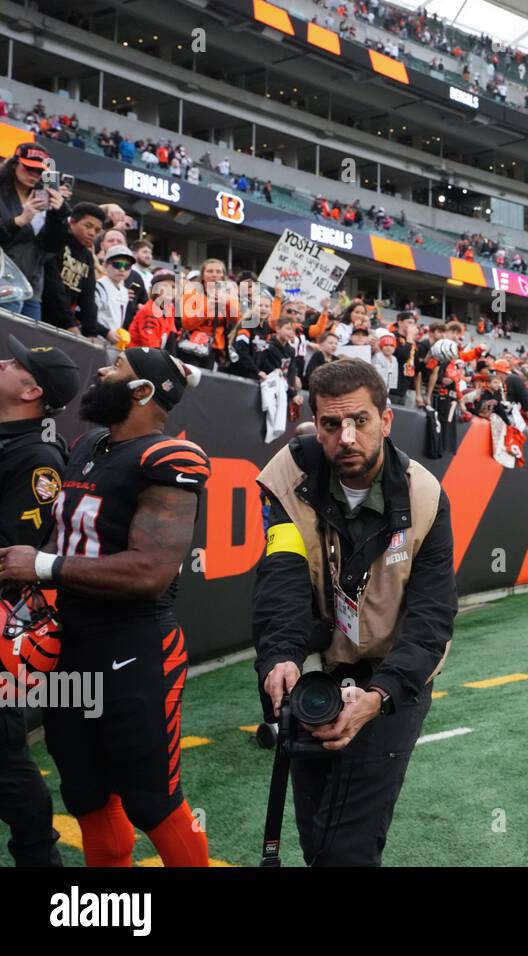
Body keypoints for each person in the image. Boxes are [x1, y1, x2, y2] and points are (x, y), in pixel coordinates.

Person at [0, 347, 211, 866]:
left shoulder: (169, 459)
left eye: (117, 366)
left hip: (133, 645)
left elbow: (149, 571)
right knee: (88, 797)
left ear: (141, 392)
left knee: (153, 802)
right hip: (70, 643)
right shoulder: (88, 444)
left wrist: (43, 566)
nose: (101, 371)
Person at [253, 359, 457, 866]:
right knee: (316, 837)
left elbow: (432, 617)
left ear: (386, 421)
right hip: (315, 669)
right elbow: (281, 577)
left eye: (360, 421)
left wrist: (379, 696)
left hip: (393, 677)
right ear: (314, 422)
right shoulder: (286, 478)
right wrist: (280, 657)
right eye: (330, 424)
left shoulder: (426, 495)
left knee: (349, 847)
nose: (346, 437)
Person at [0, 334, 79, 866]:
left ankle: (37, 853)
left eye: (16, 363)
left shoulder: (38, 458)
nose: (4, 360)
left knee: (4, 759)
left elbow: (8, 554)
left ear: (31, 389)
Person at [0, 143, 71, 320]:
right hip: (4, 281)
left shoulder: (43, 196)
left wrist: (58, 213)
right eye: (29, 168)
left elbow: (52, 247)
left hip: (32, 285)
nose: (34, 175)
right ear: (15, 163)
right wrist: (19, 220)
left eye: (40, 171)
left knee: (26, 344)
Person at [41, 202, 102, 333]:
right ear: (72, 222)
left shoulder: (87, 256)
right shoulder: (58, 242)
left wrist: (91, 332)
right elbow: (53, 286)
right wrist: (69, 324)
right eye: (88, 226)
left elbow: (88, 298)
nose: (92, 233)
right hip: (42, 314)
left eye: (97, 230)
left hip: (65, 324)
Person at [94, 243, 138, 340]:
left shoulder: (124, 291)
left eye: (127, 266)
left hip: (114, 343)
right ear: (105, 265)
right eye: (117, 265)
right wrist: (106, 333)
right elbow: (86, 316)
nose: (122, 269)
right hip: (96, 340)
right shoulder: (99, 287)